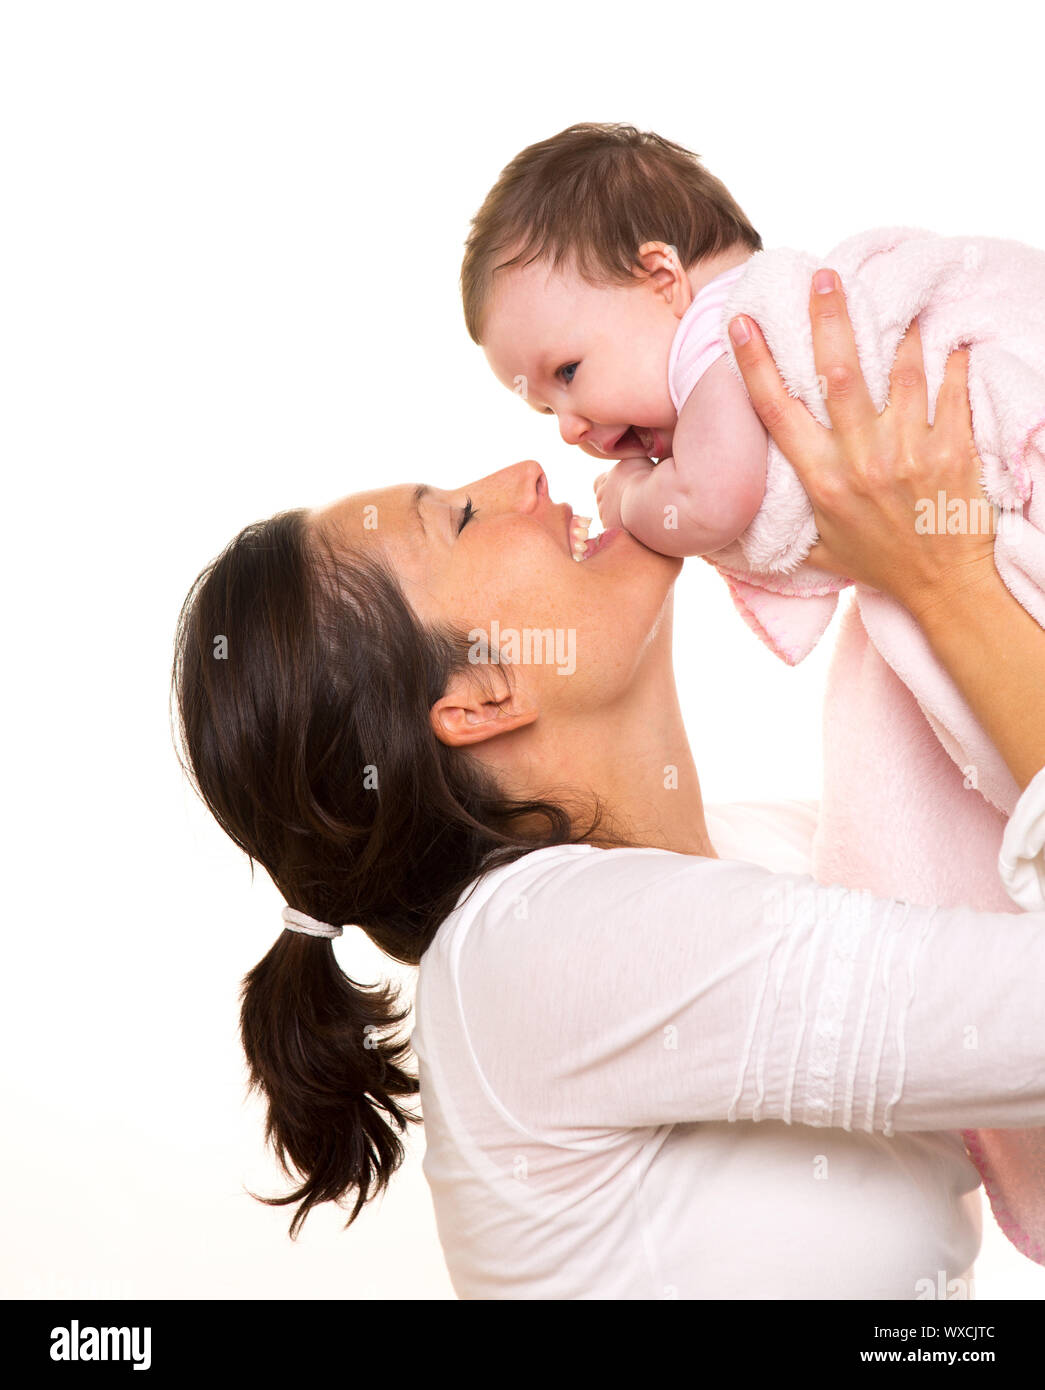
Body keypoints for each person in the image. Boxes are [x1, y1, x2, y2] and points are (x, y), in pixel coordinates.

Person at [172, 274, 1045, 1299]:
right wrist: (941, 581)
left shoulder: (776, 854)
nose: (522, 473)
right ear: (479, 693)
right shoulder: (526, 950)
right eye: (457, 519)